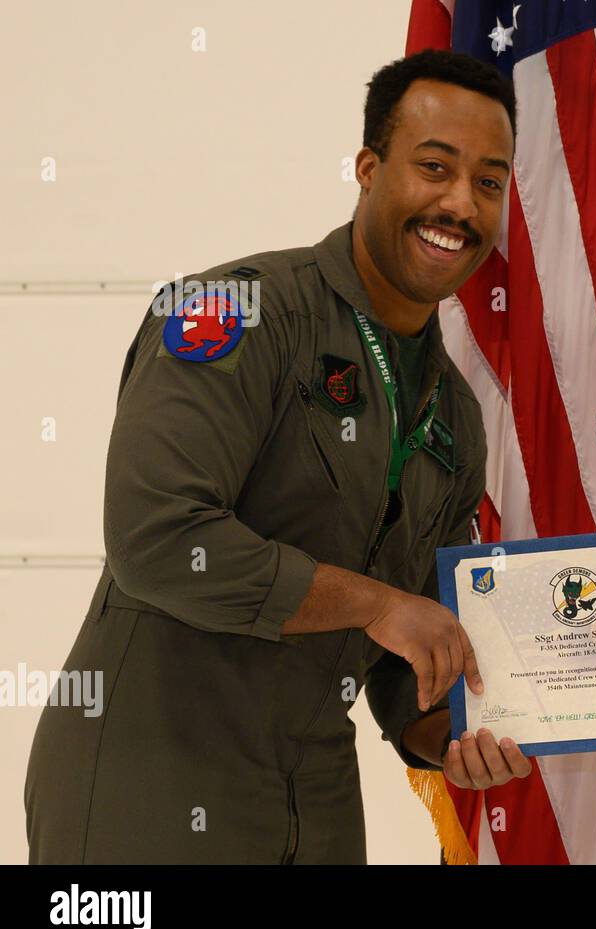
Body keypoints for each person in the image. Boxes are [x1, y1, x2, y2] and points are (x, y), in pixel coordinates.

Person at [24, 49, 531, 864]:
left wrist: (451, 735)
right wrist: (375, 605)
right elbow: (158, 539)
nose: (459, 203)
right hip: (145, 781)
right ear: (369, 169)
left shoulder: (457, 418)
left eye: (488, 183)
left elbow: (410, 656)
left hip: (314, 793)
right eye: (434, 167)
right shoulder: (232, 312)